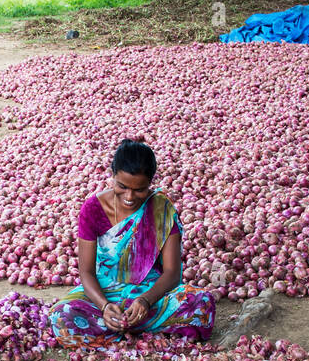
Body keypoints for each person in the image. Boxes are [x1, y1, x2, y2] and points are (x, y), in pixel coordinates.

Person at [49, 139, 216, 348]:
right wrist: (104, 306)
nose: (129, 196)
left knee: (202, 304)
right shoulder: (92, 209)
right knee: (61, 316)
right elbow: (87, 273)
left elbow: (172, 273)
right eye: (122, 186)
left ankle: (120, 329)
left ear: (150, 184)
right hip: (107, 290)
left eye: (140, 190)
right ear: (112, 176)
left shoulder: (161, 209)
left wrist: (146, 301)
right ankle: (138, 328)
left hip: (151, 292)